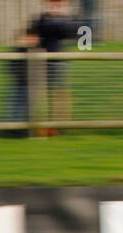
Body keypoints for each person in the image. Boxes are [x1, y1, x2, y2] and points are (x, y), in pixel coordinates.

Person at [28, 0, 80, 134]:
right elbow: (38, 32)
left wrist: (64, 18)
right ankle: (41, 125)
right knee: (40, 94)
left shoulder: (69, 20)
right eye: (52, 4)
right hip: (41, 62)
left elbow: (73, 33)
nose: (55, 7)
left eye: (58, 5)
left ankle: (58, 126)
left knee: (59, 94)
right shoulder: (41, 19)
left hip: (59, 62)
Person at [2, 31, 38, 137]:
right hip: (20, 84)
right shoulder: (17, 51)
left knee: (28, 107)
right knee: (16, 107)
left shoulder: (35, 50)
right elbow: (10, 67)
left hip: (31, 85)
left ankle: (25, 129)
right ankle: (13, 129)